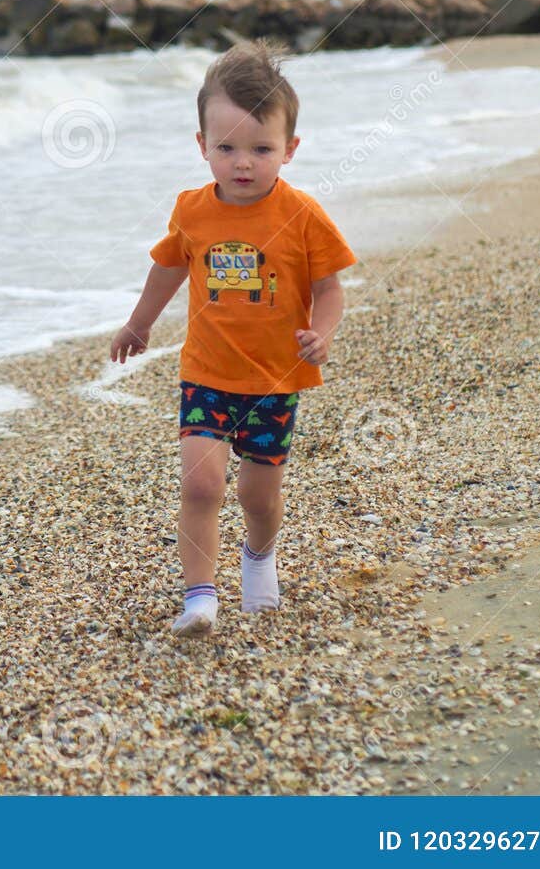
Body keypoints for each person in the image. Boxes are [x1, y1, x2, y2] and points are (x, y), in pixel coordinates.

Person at [109, 39, 358, 637]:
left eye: (260, 149)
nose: (242, 162)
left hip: (275, 380)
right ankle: (199, 597)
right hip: (207, 374)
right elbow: (169, 267)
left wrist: (320, 334)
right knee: (201, 483)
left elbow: (330, 290)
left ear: (290, 149)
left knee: (256, 494)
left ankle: (258, 557)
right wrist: (139, 322)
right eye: (226, 148)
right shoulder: (192, 211)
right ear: (202, 146)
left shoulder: (302, 214)